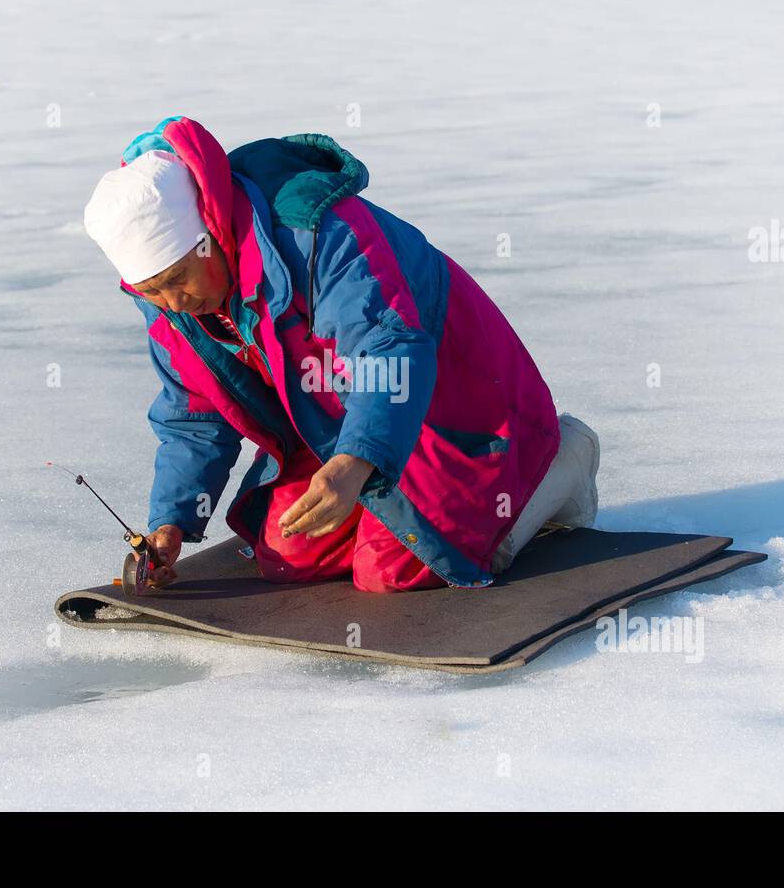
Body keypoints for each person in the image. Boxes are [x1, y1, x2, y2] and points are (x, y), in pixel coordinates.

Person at [83, 115, 598, 593]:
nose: (173, 303)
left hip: (449, 393)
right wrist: (170, 521)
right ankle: (394, 500)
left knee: (400, 568)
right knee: (289, 554)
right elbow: (193, 411)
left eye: (176, 280)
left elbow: (389, 348)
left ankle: (559, 462)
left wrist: (355, 463)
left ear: (208, 233)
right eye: (151, 291)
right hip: (332, 407)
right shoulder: (170, 303)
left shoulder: (318, 233)